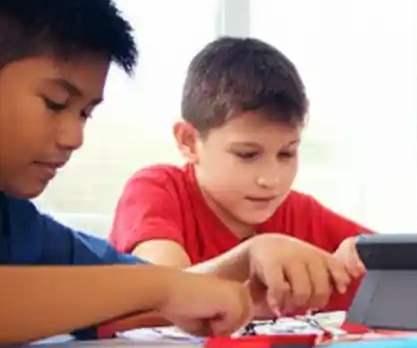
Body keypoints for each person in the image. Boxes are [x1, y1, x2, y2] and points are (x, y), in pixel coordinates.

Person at [0, 0, 351, 346]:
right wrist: (164, 289)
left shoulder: (21, 226)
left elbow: (126, 289)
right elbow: (155, 287)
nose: (75, 137)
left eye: (86, 113)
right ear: (189, 142)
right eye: (56, 103)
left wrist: (240, 264)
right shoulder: (159, 187)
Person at [109, 37, 370, 312]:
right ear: (188, 141)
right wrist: (251, 256)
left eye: (286, 154)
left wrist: (371, 255)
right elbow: (159, 293)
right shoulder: (157, 190)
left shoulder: (298, 212)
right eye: (247, 155)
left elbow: (412, 268)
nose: (271, 180)